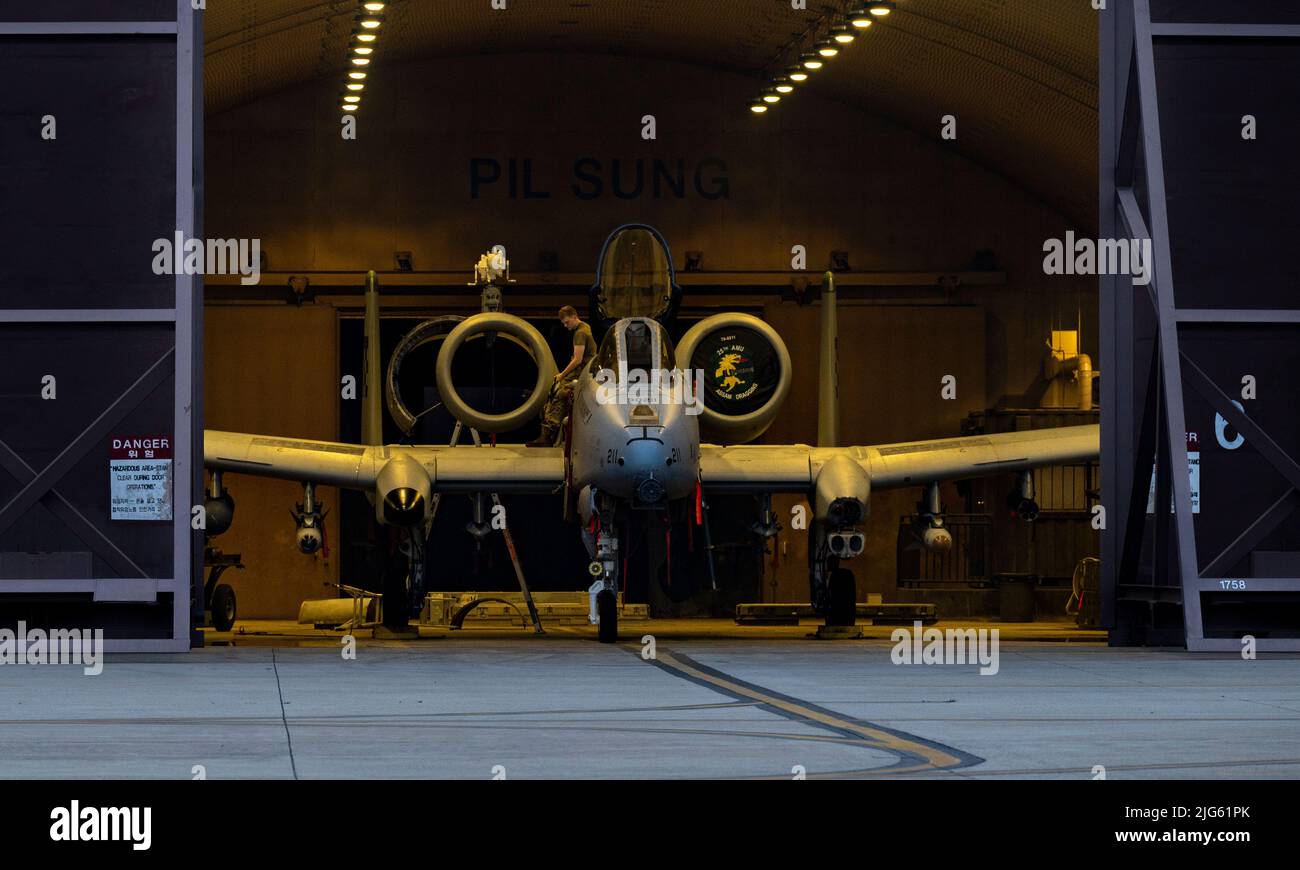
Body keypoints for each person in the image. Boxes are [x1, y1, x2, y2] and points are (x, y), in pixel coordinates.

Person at [528, 306, 596, 446]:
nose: (565, 326)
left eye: (567, 322)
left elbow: (577, 359)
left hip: (581, 372)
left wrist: (562, 375)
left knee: (557, 395)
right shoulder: (586, 327)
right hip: (587, 371)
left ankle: (548, 435)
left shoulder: (580, 333)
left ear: (574, 316)